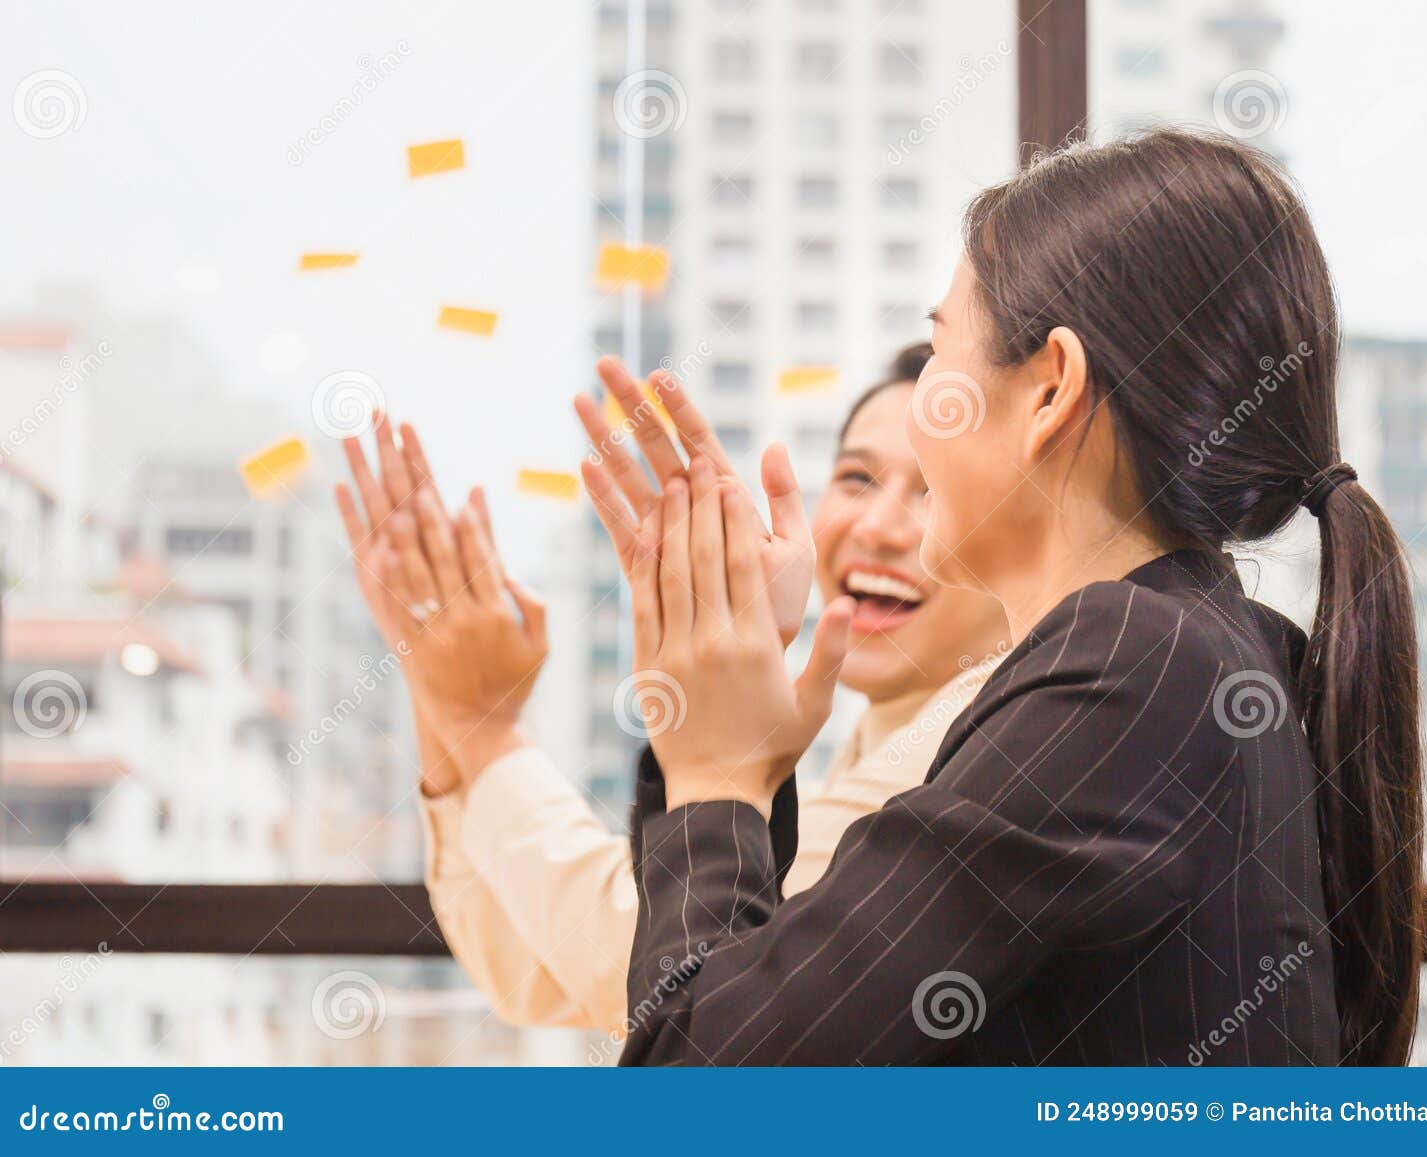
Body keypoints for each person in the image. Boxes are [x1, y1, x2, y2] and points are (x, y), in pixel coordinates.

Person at [373, 128, 1425, 1066]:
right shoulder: (1200, 648)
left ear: (1049, 389)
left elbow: (693, 1080)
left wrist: (716, 774)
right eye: (856, 474)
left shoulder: (1128, 668)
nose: (893, 490)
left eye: (943, 349)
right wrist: (738, 765)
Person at [334, 344, 1008, 1035]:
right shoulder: (883, 729)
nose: (878, 527)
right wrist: (439, 672)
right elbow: (534, 976)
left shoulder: (985, 726)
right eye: (857, 477)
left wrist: (485, 726)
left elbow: (637, 964)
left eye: (935, 491)